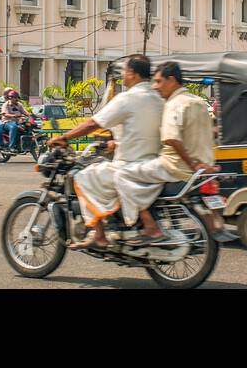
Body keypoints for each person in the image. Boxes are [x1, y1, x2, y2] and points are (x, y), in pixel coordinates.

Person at [49, 55, 163, 248]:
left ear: (133, 74)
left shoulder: (128, 98)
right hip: (152, 163)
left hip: (129, 164)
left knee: (83, 177)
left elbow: (94, 123)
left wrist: (64, 137)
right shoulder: (158, 98)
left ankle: (98, 234)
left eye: (124, 72)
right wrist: (115, 142)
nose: (122, 76)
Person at [113, 62, 218, 242]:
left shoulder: (174, 104)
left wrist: (191, 163)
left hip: (173, 168)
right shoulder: (199, 102)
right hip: (203, 168)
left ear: (172, 80)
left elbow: (171, 138)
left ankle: (150, 226)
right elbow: (212, 133)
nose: (155, 86)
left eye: (159, 81)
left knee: (121, 174)